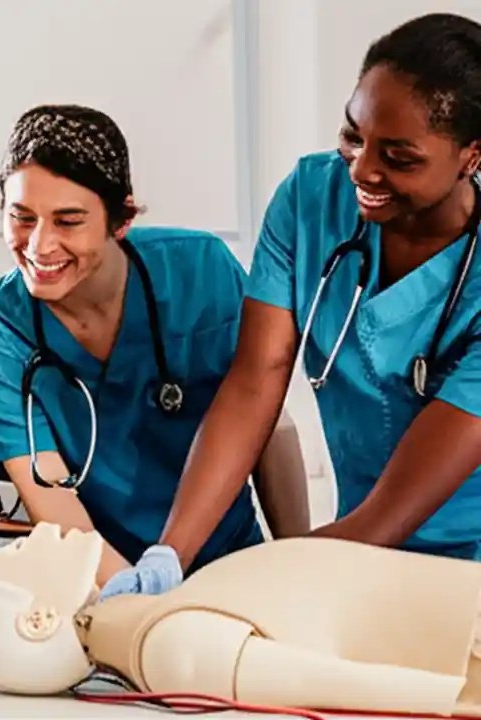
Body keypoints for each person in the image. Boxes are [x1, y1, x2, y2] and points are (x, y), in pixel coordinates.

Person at [102, 12, 481, 598]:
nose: (362, 169)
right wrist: (171, 554)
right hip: (362, 552)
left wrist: (250, 580)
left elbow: (387, 517)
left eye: (399, 157)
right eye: (353, 136)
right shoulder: (311, 198)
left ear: (471, 156)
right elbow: (255, 381)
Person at [0, 104, 310, 589]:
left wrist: (300, 565)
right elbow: (57, 512)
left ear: (120, 220)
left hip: (234, 569)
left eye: (68, 221)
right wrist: (139, 604)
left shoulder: (199, 271)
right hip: (103, 582)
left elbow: (268, 424)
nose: (39, 245)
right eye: (22, 218)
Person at [0, 521, 481, 717]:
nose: (36, 533)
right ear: (38, 620)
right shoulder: (175, 649)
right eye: (16, 553)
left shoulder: (171, 619)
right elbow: (404, 694)